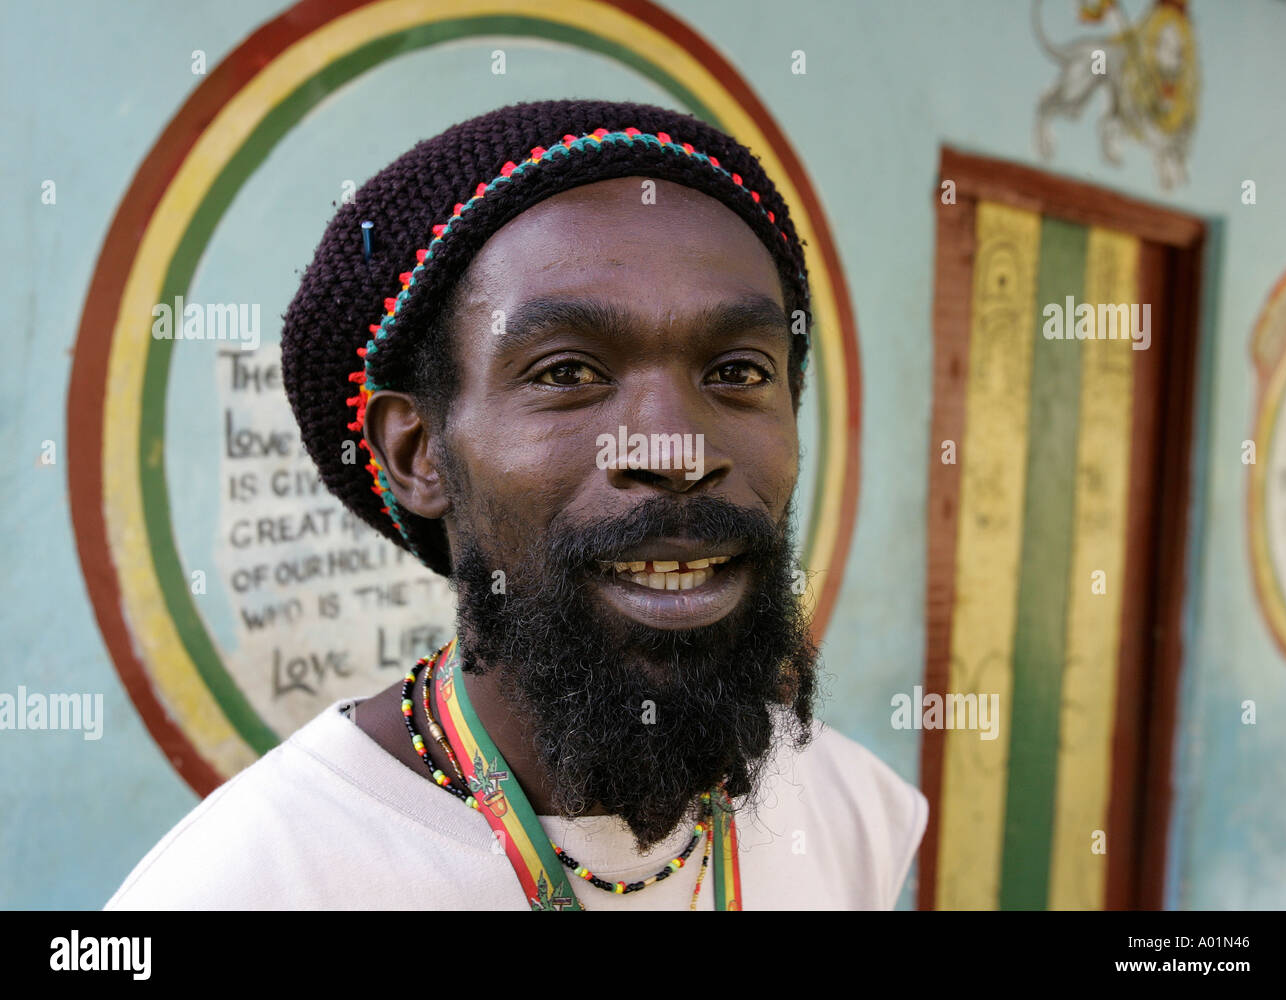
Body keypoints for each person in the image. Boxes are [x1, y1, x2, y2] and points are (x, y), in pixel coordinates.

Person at [105, 98, 927, 911]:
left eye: (738, 372)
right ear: (416, 452)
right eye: (568, 374)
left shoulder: (853, 815)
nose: (677, 452)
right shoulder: (251, 884)